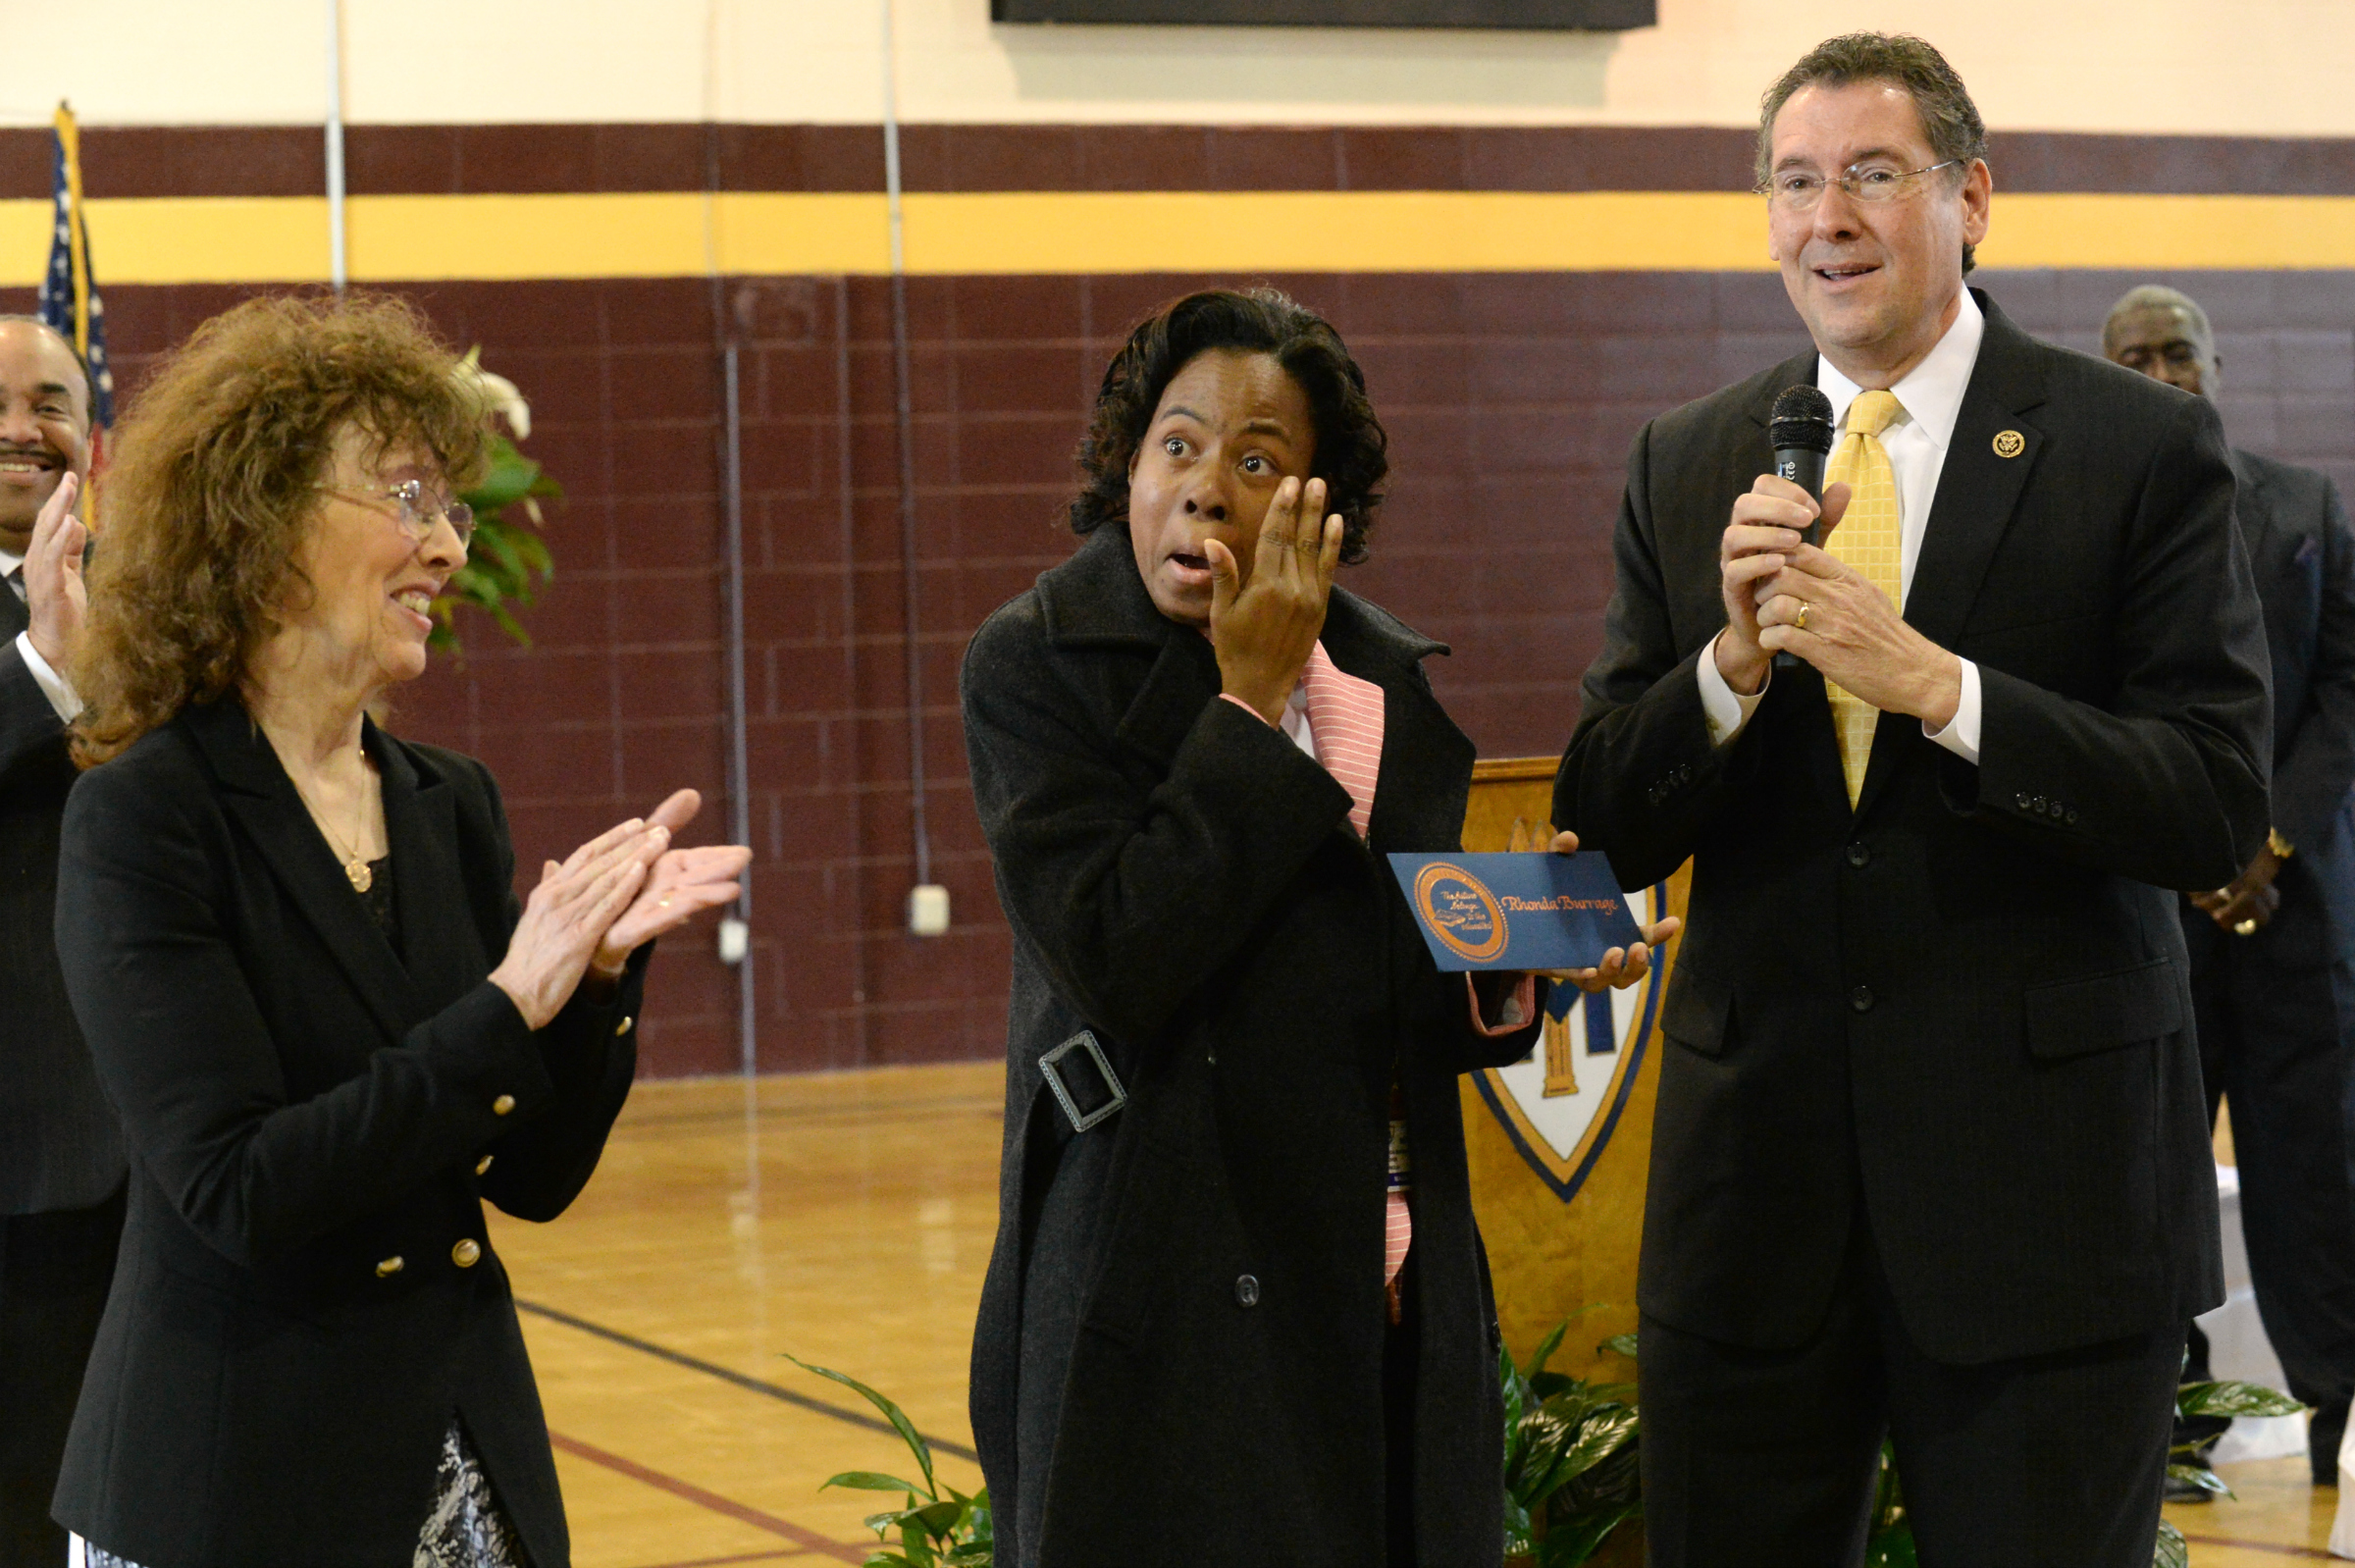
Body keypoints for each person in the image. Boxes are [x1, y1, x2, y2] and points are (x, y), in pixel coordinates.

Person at [1552, 33, 2271, 1566]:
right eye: (1796, 182)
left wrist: (1942, 688)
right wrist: (1730, 668)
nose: (1830, 218)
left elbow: (2212, 803)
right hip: (1756, 1219)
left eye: (1874, 174)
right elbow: (1606, 814)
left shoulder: (2141, 447)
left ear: (1975, 197)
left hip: (2047, 1221)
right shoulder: (1687, 464)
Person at [961, 287, 1673, 1568]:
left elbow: (1386, 986)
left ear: (1324, 508)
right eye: (1175, 444)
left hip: (1380, 1273)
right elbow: (1123, 952)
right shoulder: (1038, 666)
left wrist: (1514, 959)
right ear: (1127, 463)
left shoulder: (1380, 686)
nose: (1203, 487)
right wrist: (1245, 701)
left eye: (1255, 459)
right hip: (1164, 1272)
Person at [47, 293, 750, 1568]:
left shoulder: (450, 806)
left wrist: (592, 979)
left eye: (451, 509)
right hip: (230, 1487)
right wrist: (509, 1000)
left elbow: (530, 1178)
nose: (446, 546)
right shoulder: (141, 819)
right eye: (408, 499)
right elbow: (241, 1189)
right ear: (258, 522)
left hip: (455, 1458)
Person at [2105, 283, 2355, 1487]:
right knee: (2156, 1177)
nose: (2161, 373)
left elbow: (2344, 697)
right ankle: (2181, 1414)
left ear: (2216, 364)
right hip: (2155, 912)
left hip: (2297, 911)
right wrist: (2198, 857)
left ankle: (2333, 1405)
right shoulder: (2084, 524)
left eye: (2178, 353)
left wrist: (2270, 846)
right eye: (2134, 356)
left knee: (2314, 1169)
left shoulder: (2305, 505)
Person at [0, 315, 124, 1567]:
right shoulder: (60, 633)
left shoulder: (154, 607)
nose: (17, 427)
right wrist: (41, 664)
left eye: (46, 400)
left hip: (158, 1158)